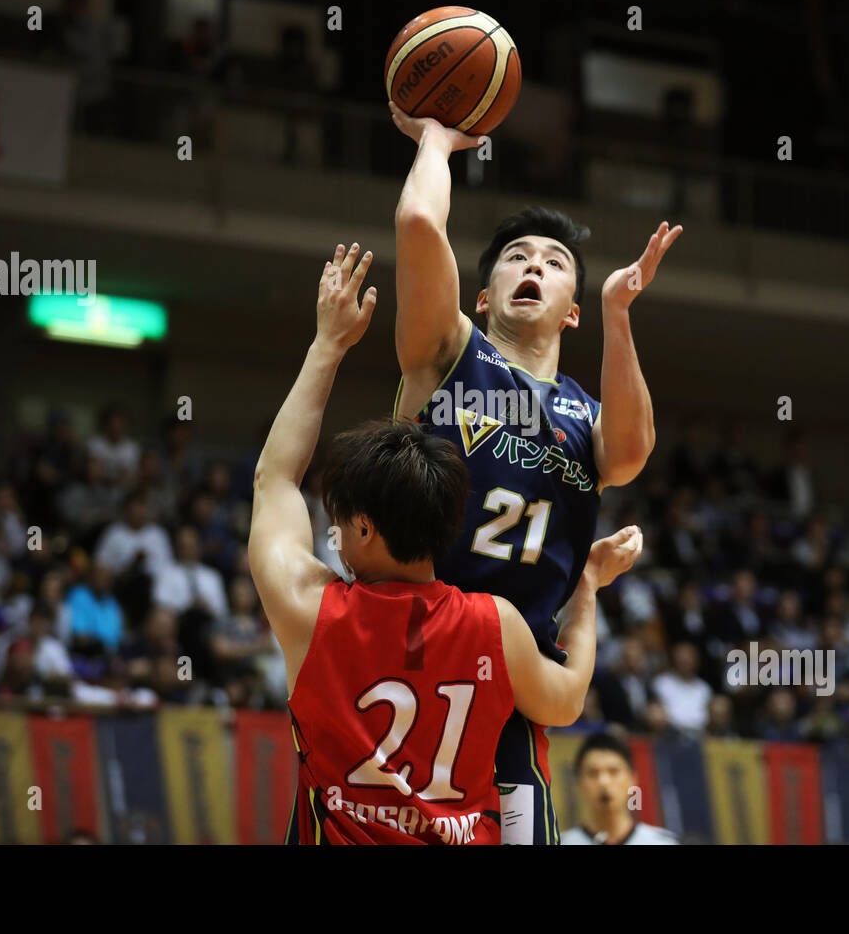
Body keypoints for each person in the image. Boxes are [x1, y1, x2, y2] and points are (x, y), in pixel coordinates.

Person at [247, 245, 642, 845]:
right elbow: (564, 703)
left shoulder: (311, 612)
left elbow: (274, 480)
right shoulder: (497, 624)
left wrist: (328, 345)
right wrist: (585, 589)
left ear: (362, 528)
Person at [387, 101, 681, 844]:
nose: (535, 267)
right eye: (518, 257)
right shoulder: (451, 354)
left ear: (569, 310)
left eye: (554, 264)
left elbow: (631, 452)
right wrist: (435, 141)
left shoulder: (586, 416)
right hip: (405, 650)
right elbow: (422, 228)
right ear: (484, 296)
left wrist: (619, 312)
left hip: (514, 691)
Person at [559, 733, 678, 845]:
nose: (603, 782)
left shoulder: (663, 842)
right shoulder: (561, 842)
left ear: (632, 778)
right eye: (592, 773)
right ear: (579, 782)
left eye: (613, 771)